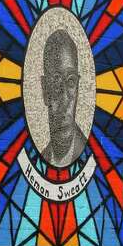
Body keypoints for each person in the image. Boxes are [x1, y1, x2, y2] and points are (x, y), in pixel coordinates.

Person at [40, 29, 87, 168]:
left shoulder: (89, 153)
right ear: (44, 89)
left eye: (71, 82)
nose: (65, 99)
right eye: (56, 81)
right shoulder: (42, 158)